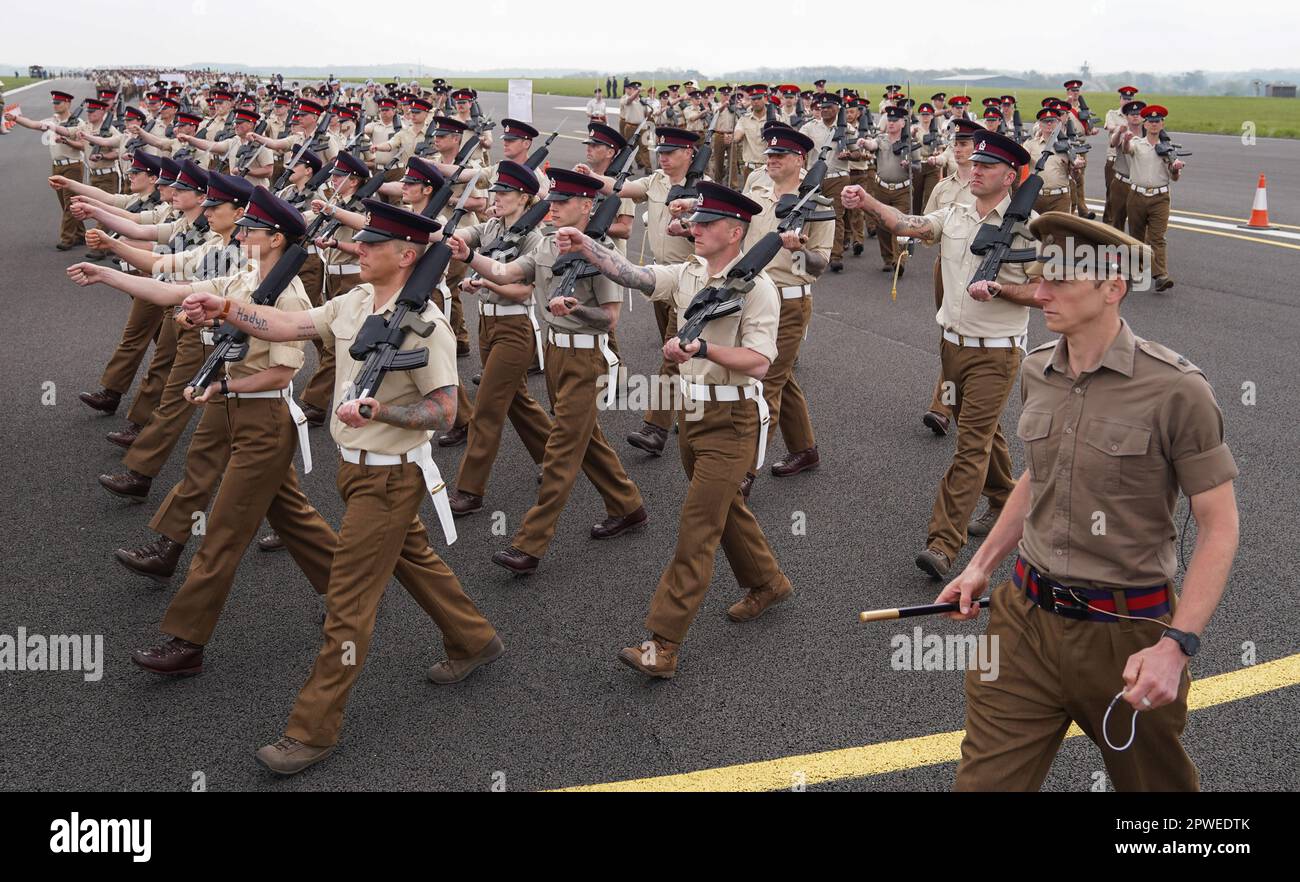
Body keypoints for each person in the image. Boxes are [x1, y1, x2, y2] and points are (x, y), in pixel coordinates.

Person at [180, 198, 504, 776]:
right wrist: (227, 307)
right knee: (414, 558)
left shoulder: (425, 324)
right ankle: (473, 637)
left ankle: (312, 729)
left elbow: (446, 411)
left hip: (390, 478)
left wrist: (386, 412)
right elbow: (288, 325)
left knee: (348, 608)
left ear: (406, 254)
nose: (360, 247)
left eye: (373, 244)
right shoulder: (354, 302)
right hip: (354, 470)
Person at [938, 212, 1238, 791]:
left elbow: (1219, 526)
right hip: (1023, 623)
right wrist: (979, 565)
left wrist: (1176, 646)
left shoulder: (1178, 389)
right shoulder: (1037, 370)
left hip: (1125, 634)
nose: (1040, 292)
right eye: (1041, 277)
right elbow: (1037, 476)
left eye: (1061, 282)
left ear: (1112, 287)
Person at [551, 181, 793, 678]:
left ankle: (663, 644)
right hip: (693, 416)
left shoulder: (759, 289)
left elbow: (760, 362)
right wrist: (587, 246)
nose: (695, 229)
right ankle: (767, 582)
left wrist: (702, 350)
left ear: (735, 231)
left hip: (734, 421)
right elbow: (636, 275)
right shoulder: (688, 274)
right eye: (695, 222)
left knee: (697, 530)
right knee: (726, 511)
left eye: (706, 225)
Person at [843, 130, 1042, 578]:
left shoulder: (1030, 227)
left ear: (1010, 176)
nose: (975, 170)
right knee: (985, 431)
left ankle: (943, 543)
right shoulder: (954, 215)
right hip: (951, 347)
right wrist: (869, 203)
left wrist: (1001, 288)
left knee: (969, 446)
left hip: (997, 353)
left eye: (987, 167)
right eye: (975, 164)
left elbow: (1046, 290)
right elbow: (906, 224)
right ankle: (1006, 498)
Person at [447, 168, 647, 575]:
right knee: (586, 440)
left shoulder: (601, 251)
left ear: (587, 206)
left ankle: (530, 543)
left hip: (586, 361)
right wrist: (469, 257)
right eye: (551, 202)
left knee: (559, 455)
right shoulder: (546, 247)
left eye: (562, 203)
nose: (551, 209)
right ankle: (628, 506)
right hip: (555, 355)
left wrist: (577, 310)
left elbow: (608, 320)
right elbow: (504, 274)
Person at [445, 160, 552, 515]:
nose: (497, 198)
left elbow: (523, 292)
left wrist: (483, 281)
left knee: (488, 409)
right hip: (487, 328)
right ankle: (557, 456)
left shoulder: (536, 238)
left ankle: (469, 490)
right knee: (517, 401)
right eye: (496, 191)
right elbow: (460, 237)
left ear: (524, 197)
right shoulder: (491, 227)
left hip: (514, 329)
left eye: (504, 193)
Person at [739, 126, 832, 497]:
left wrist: (798, 250)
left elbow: (820, 263)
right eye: (769, 154)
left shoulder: (818, 205)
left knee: (765, 385)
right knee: (782, 376)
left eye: (779, 156)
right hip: (751, 294)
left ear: (800, 160)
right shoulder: (755, 188)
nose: (771, 160)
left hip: (789, 301)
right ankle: (805, 450)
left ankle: (745, 470)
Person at [6, 89, 89, 249]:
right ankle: (79, 234)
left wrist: (66, 141)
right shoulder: (53, 121)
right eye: (54, 103)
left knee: (69, 204)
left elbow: (84, 146)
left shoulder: (78, 123)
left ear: (67, 103)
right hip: (57, 167)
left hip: (72, 166)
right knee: (65, 204)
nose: (55, 106)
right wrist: (16, 118)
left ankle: (67, 239)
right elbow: (33, 124)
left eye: (58, 103)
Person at [1122, 105, 1183, 292]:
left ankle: (1161, 275)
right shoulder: (1137, 144)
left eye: (1158, 121)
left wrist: (1176, 167)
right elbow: (1126, 150)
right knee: (1136, 236)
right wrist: (1125, 139)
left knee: (1158, 237)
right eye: (1150, 121)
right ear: (1145, 123)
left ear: (1162, 123)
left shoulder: (1168, 148)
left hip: (1160, 197)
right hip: (1137, 195)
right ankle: (1134, 271)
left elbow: (1174, 177)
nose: (1154, 124)